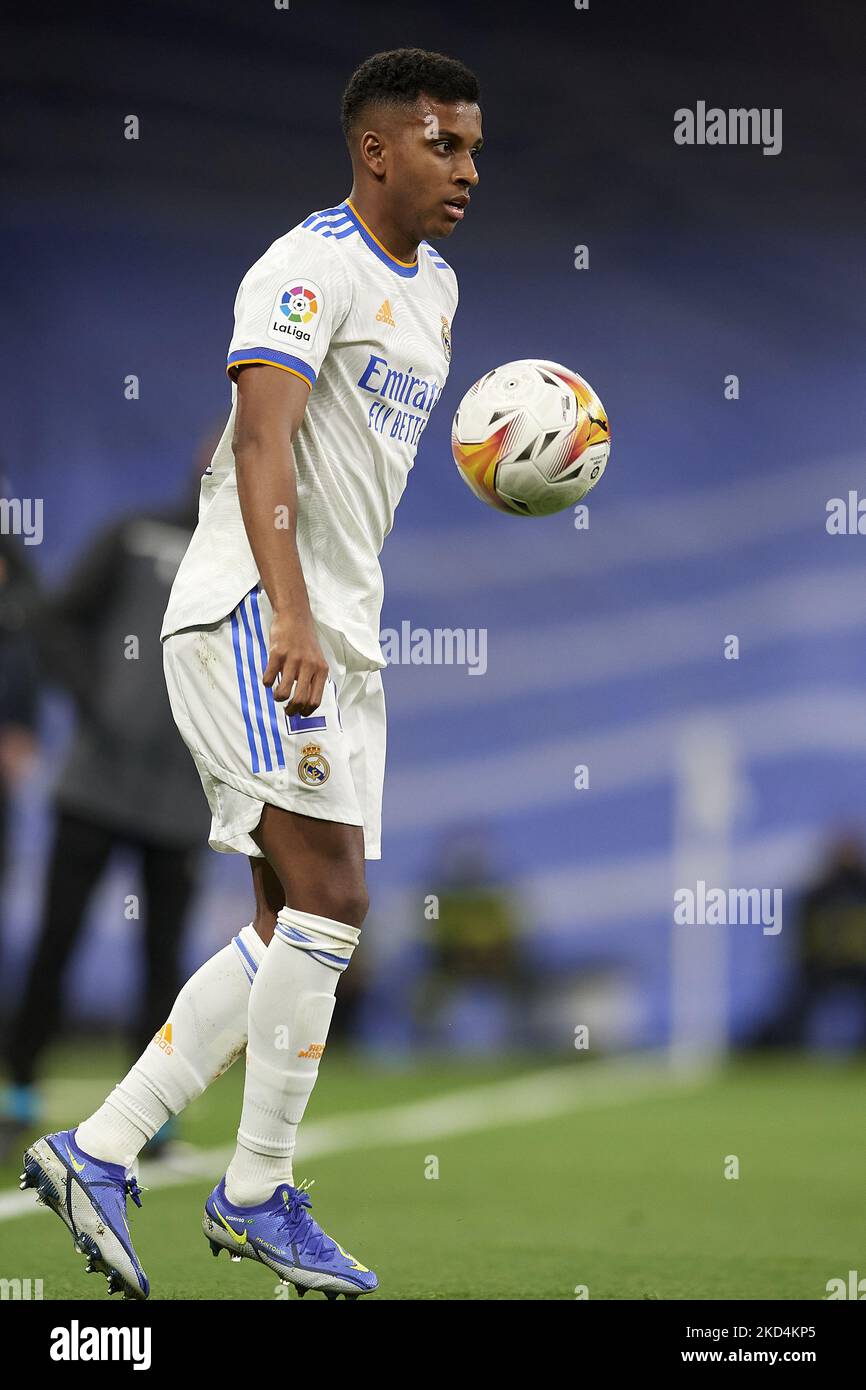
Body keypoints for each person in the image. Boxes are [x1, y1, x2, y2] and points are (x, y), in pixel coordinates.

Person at [21, 47, 483, 1301]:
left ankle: (99, 1148)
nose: (467, 171)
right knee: (334, 898)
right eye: (445, 146)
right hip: (252, 614)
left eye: (475, 149)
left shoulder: (436, 291)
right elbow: (262, 445)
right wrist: (287, 609)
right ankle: (256, 1188)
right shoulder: (301, 266)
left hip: (339, 626)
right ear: (376, 148)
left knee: (290, 921)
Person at [1, 444, 216, 1157]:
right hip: (94, 786)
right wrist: (95, 701)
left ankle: (147, 1116)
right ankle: (18, 1088)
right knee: (56, 939)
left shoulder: (259, 566)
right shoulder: (134, 535)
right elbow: (55, 619)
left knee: (164, 959)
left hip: (187, 799)